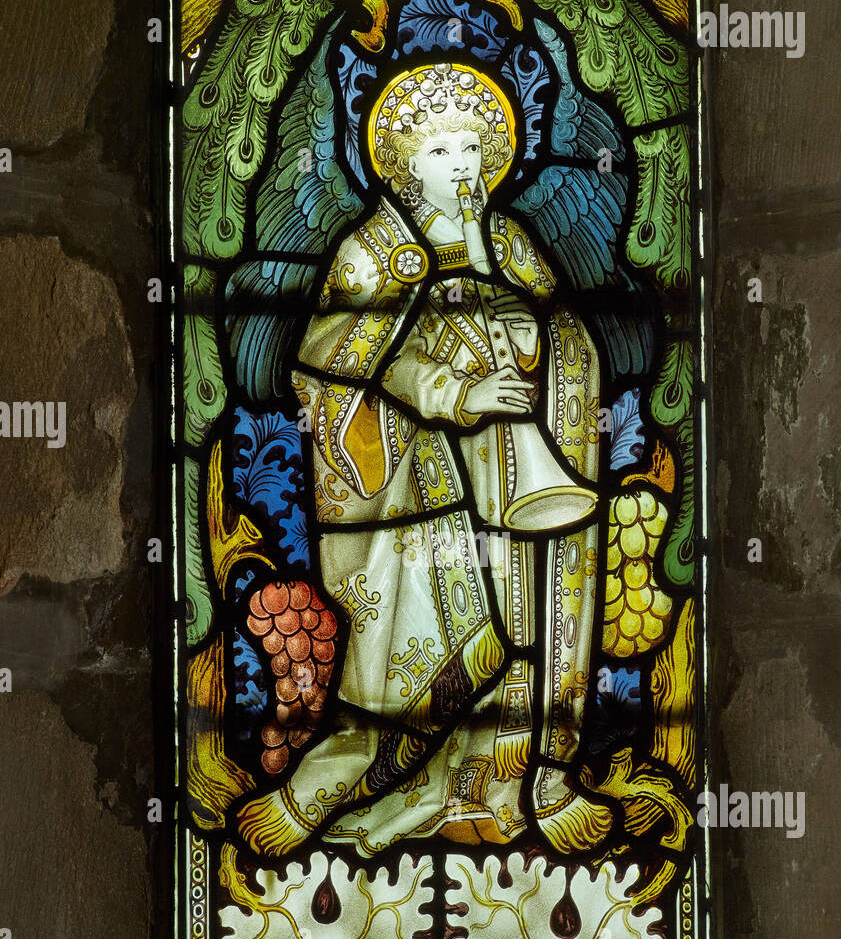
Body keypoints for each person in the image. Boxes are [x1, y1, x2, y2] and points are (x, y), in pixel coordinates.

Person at [236, 61, 615, 859]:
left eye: (476, 150)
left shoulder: (507, 244)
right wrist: (450, 392)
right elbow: (331, 361)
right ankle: (358, 790)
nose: (466, 168)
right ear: (406, 165)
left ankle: (500, 784)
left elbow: (566, 346)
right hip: (415, 494)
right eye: (444, 151)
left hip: (513, 486)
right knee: (416, 666)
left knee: (521, 626)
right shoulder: (373, 255)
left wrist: (531, 338)